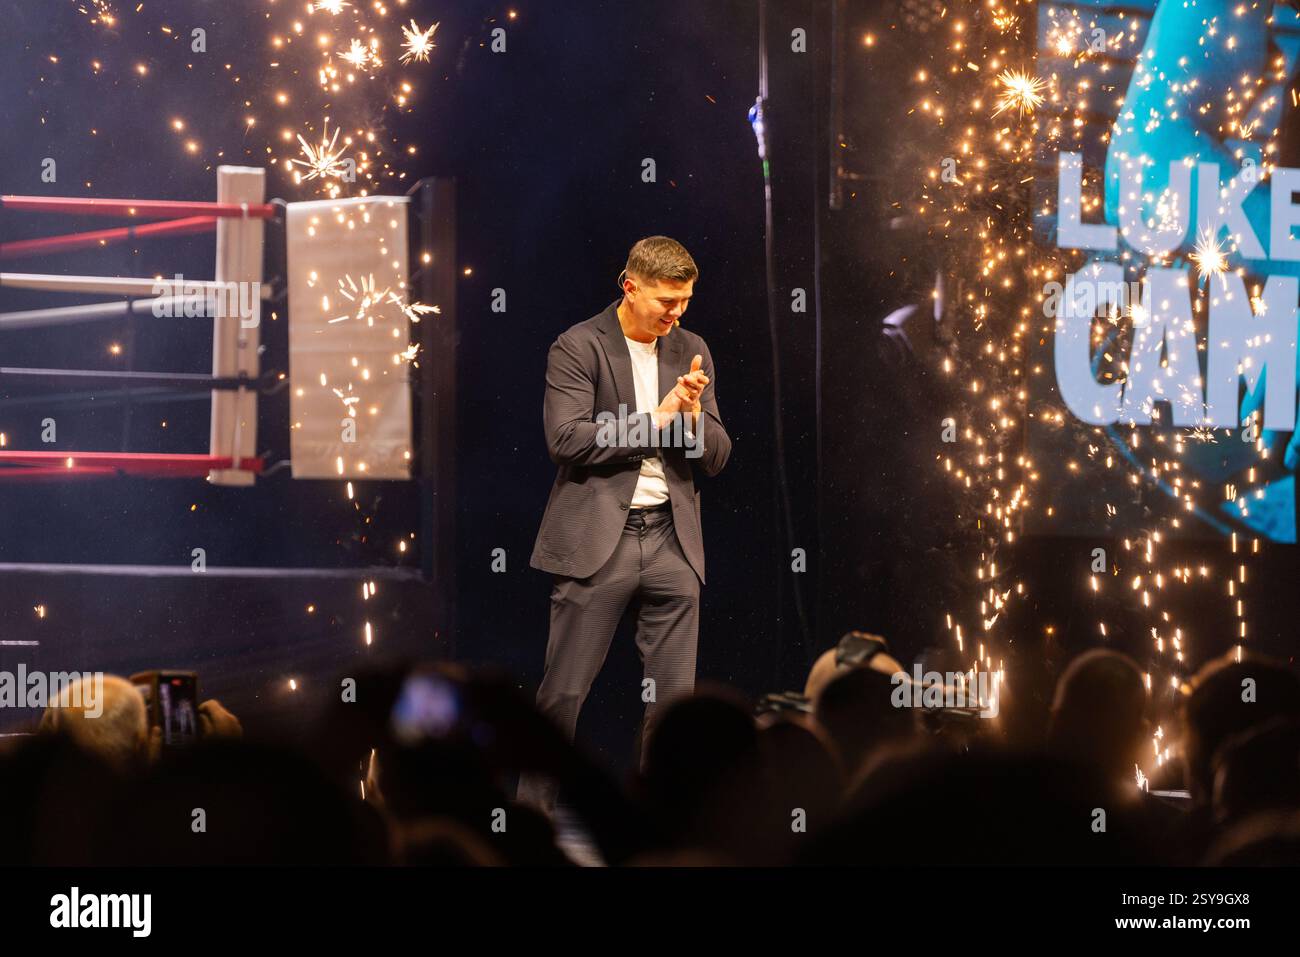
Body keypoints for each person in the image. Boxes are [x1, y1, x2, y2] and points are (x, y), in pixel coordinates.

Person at [518, 236, 732, 814]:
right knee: (562, 694)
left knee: (673, 708)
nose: (676, 312)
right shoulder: (579, 345)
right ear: (629, 286)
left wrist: (690, 419)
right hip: (598, 541)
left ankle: (663, 827)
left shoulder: (691, 348)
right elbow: (567, 440)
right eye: (666, 300)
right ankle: (528, 826)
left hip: (672, 539)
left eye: (685, 301)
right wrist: (655, 419)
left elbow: (715, 455)